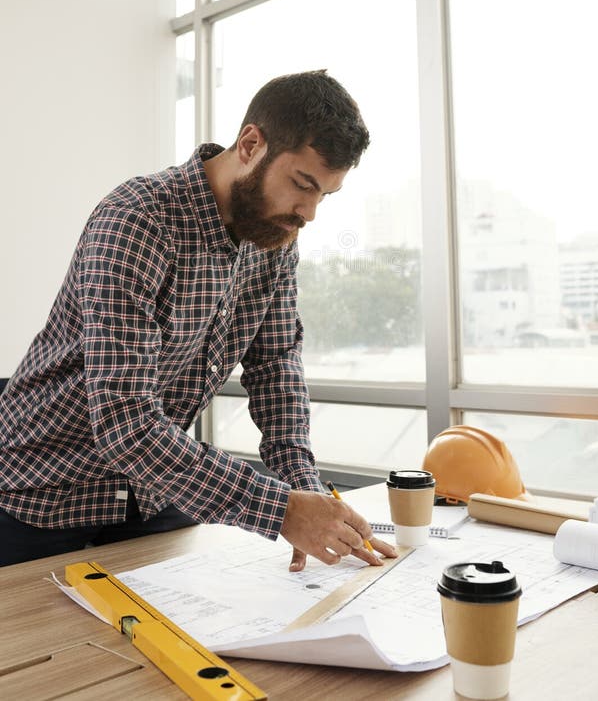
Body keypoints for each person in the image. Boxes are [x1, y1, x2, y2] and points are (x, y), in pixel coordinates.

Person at [0, 70, 396, 569]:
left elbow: (275, 366)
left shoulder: (273, 237)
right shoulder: (136, 219)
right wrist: (282, 511)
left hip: (150, 490)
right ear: (251, 144)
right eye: (302, 184)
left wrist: (303, 490)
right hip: (42, 490)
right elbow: (125, 421)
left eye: (325, 195)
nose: (310, 213)